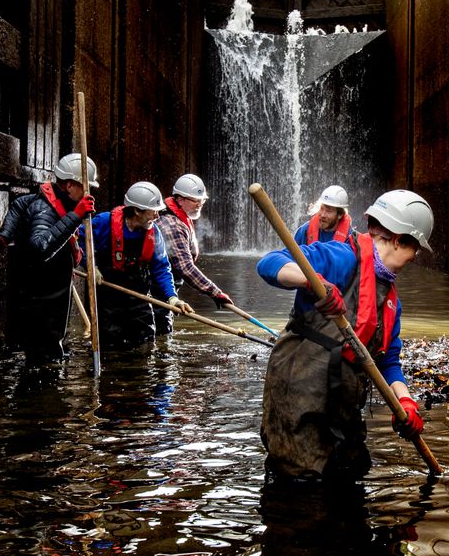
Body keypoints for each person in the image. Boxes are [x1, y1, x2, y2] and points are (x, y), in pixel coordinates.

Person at [256, 189, 433, 483]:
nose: (415, 256)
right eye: (416, 247)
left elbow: (388, 361)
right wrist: (314, 283)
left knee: (352, 472)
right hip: (300, 395)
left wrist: (405, 402)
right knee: (301, 483)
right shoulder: (342, 257)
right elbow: (269, 264)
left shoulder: (391, 302)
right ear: (399, 239)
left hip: (341, 403)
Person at [0, 152, 97, 363]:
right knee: (44, 361)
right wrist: (76, 216)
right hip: (41, 307)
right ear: (70, 185)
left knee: (52, 355)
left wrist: (6, 234)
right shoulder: (45, 209)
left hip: (49, 305)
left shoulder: (48, 203)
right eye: (85, 187)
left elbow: (20, 205)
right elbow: (40, 247)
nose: (88, 193)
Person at [80, 181, 194, 349]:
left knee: (146, 341)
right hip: (107, 295)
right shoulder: (103, 222)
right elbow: (80, 240)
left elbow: (162, 268)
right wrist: (91, 266)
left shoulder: (154, 233)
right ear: (137, 211)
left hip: (138, 297)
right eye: (153, 211)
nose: (157, 216)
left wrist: (172, 298)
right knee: (110, 345)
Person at [152, 173, 233, 334]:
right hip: (157, 288)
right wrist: (215, 292)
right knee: (160, 331)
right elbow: (185, 267)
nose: (199, 204)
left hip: (165, 287)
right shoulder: (172, 224)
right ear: (180, 199)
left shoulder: (181, 218)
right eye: (195, 200)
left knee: (162, 329)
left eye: (202, 200)